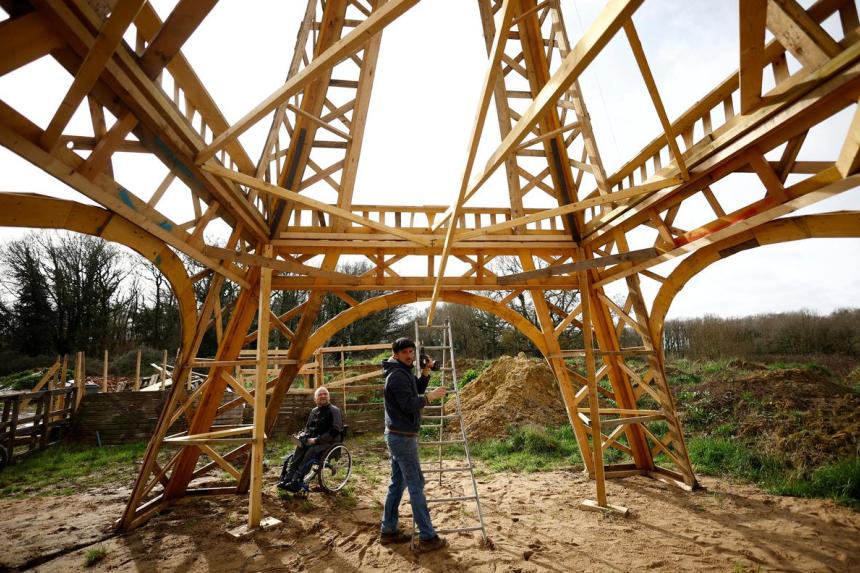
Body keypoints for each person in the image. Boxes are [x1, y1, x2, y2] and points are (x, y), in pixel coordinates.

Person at [379, 337, 448, 552]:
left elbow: (414, 389)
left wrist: (426, 373)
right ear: (396, 354)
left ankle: (388, 531)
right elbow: (410, 404)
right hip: (402, 437)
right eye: (405, 352)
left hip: (398, 435)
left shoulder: (401, 371)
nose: (410, 356)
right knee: (416, 484)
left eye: (411, 352)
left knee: (397, 484)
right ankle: (428, 537)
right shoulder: (397, 376)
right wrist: (431, 397)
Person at [278, 386, 343, 492]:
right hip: (312, 440)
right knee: (299, 448)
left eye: (325, 394)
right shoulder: (314, 411)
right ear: (315, 399)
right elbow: (308, 428)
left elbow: (335, 431)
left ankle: (297, 481)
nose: (323, 396)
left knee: (310, 451)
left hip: (329, 442)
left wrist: (317, 440)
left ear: (329, 396)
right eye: (320, 394)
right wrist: (302, 435)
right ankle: (288, 478)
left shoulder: (334, 410)